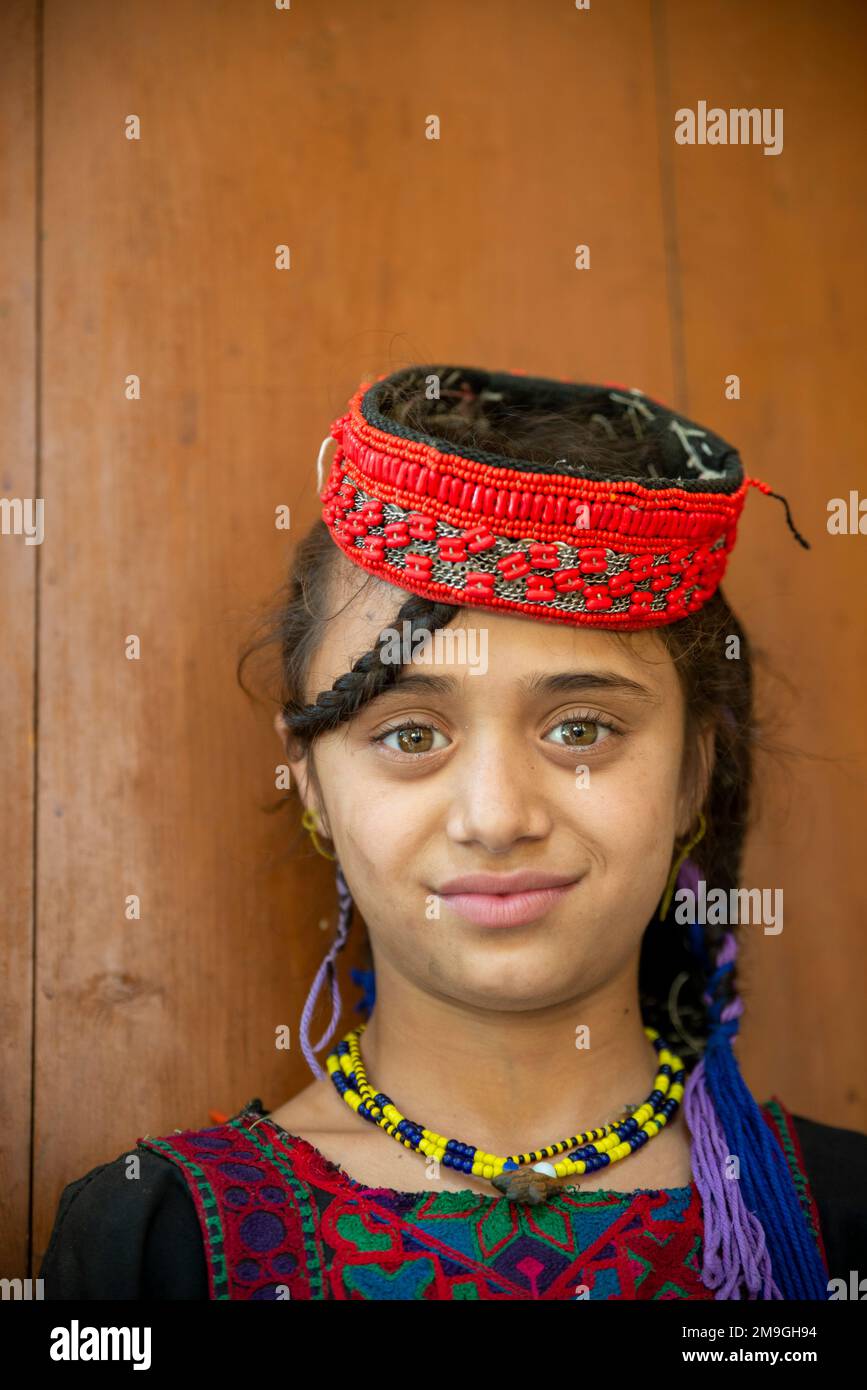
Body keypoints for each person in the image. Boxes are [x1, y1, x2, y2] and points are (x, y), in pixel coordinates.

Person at [40, 364, 867, 1300]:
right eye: (410, 735)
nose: (496, 817)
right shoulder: (156, 1246)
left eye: (580, 730)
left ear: (691, 776)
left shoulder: (838, 1226)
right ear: (309, 779)